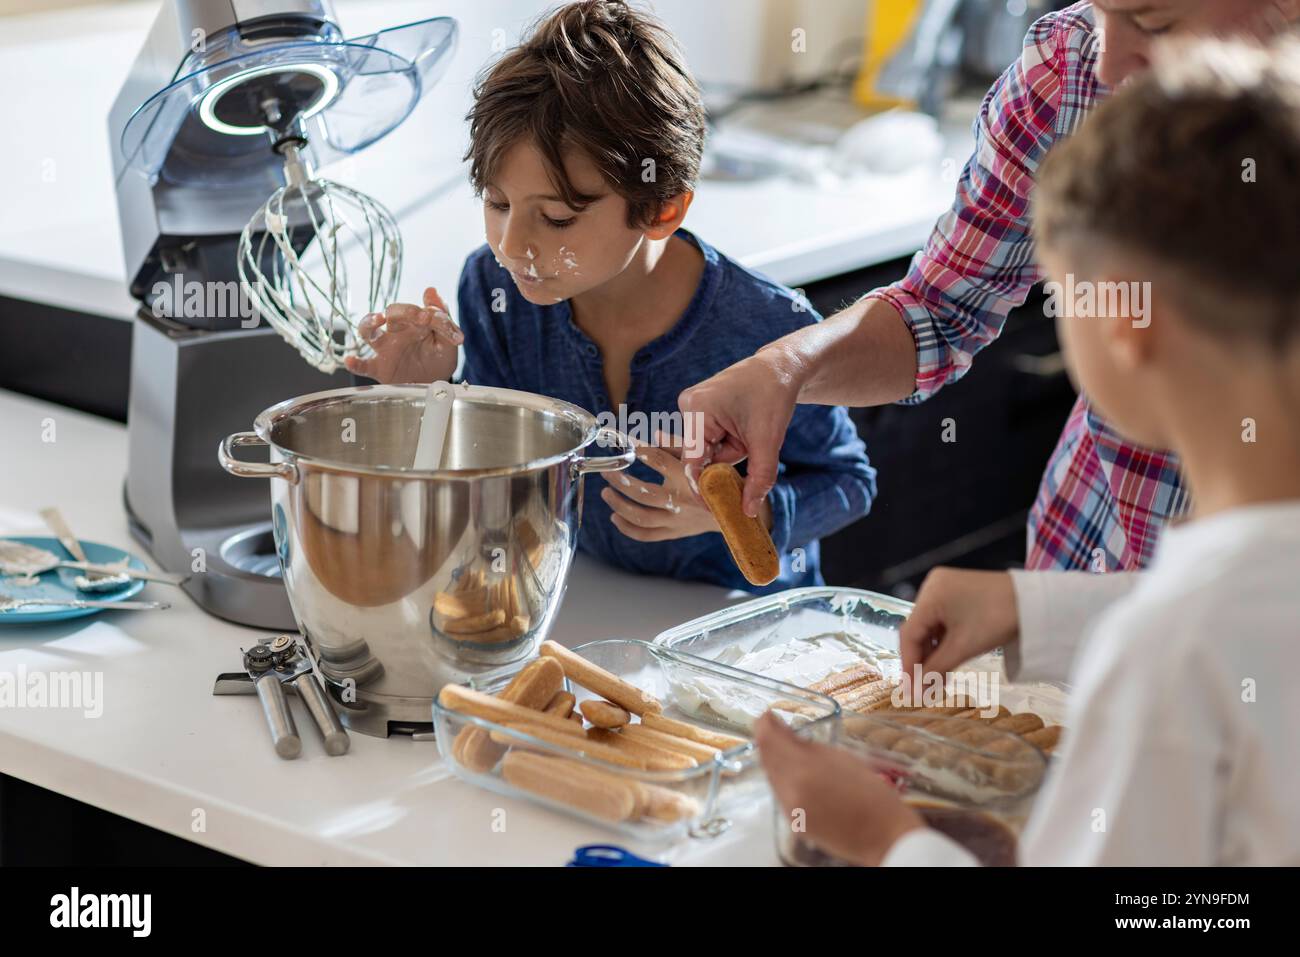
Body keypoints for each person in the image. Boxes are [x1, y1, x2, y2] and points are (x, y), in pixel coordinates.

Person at [757, 35, 1300, 866]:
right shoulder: (1206, 617)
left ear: (1122, 325)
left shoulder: (1173, 645)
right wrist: (1043, 611)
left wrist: (888, 838)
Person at [679, 0, 1299, 573]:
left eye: (1154, 22)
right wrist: (785, 367)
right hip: (1091, 552)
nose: (1109, 58)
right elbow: (940, 308)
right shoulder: (1069, 69)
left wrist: (1044, 614)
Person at [345, 0, 875, 593]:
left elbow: (849, 482)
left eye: (558, 218)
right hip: (587, 599)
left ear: (660, 208)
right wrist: (431, 394)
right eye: (497, 205)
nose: (511, 246)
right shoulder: (494, 292)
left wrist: (737, 515)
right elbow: (496, 476)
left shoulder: (766, 329)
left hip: (739, 631)